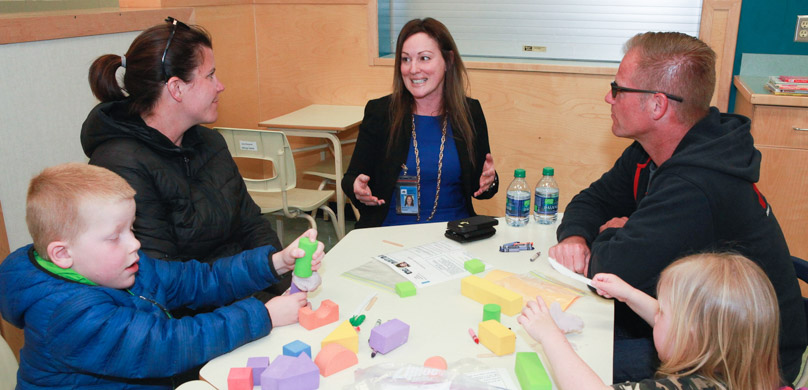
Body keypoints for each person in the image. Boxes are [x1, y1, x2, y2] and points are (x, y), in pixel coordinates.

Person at [547, 32, 806, 382]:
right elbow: (592, 200)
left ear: (657, 104)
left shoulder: (697, 184)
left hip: (741, 361)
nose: (609, 97)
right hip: (683, 318)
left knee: (557, 358)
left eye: (618, 88)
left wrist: (614, 232)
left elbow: (610, 268)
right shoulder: (652, 148)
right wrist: (577, 235)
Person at [0, 163, 325, 389]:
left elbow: (197, 281)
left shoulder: (119, 265)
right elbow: (169, 345)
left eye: (131, 228)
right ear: (62, 254)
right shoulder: (67, 315)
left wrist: (274, 263)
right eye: (116, 236)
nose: (135, 243)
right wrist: (263, 314)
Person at [80, 18, 287, 299]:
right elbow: (164, 283)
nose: (220, 86)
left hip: (242, 290)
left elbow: (251, 224)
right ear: (176, 88)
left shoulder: (210, 142)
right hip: (193, 317)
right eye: (210, 75)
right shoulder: (121, 165)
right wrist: (260, 311)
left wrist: (284, 281)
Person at [519, 253, 783, 390]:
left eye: (662, 312)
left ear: (690, 337)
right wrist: (630, 295)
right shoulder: (740, 371)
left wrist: (551, 336)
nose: (656, 314)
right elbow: (677, 325)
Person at [342, 18, 498, 228]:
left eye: (424, 58)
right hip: (390, 232)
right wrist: (357, 188)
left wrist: (490, 181)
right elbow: (351, 178)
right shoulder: (380, 112)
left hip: (455, 232)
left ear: (448, 61)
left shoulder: (470, 112)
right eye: (406, 59)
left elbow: (483, 189)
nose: (413, 69)